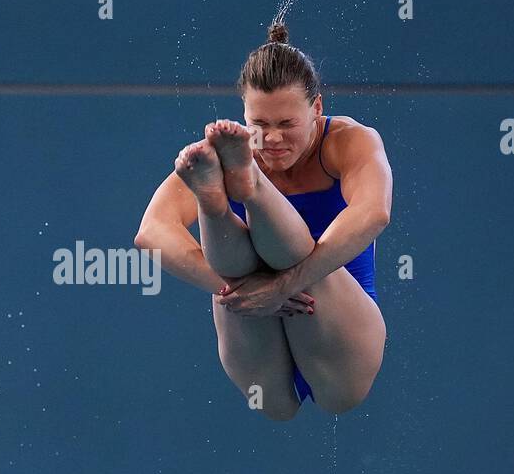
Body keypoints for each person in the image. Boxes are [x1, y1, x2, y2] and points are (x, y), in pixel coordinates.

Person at [135, 21, 392, 419]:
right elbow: (150, 232)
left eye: (287, 124)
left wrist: (284, 286)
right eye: (260, 125)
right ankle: (215, 206)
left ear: (317, 108)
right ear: (243, 115)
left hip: (339, 323)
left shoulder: (348, 141)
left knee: (332, 391)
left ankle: (249, 187)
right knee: (275, 403)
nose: (272, 140)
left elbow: (374, 212)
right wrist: (240, 290)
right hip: (255, 314)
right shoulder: (222, 149)